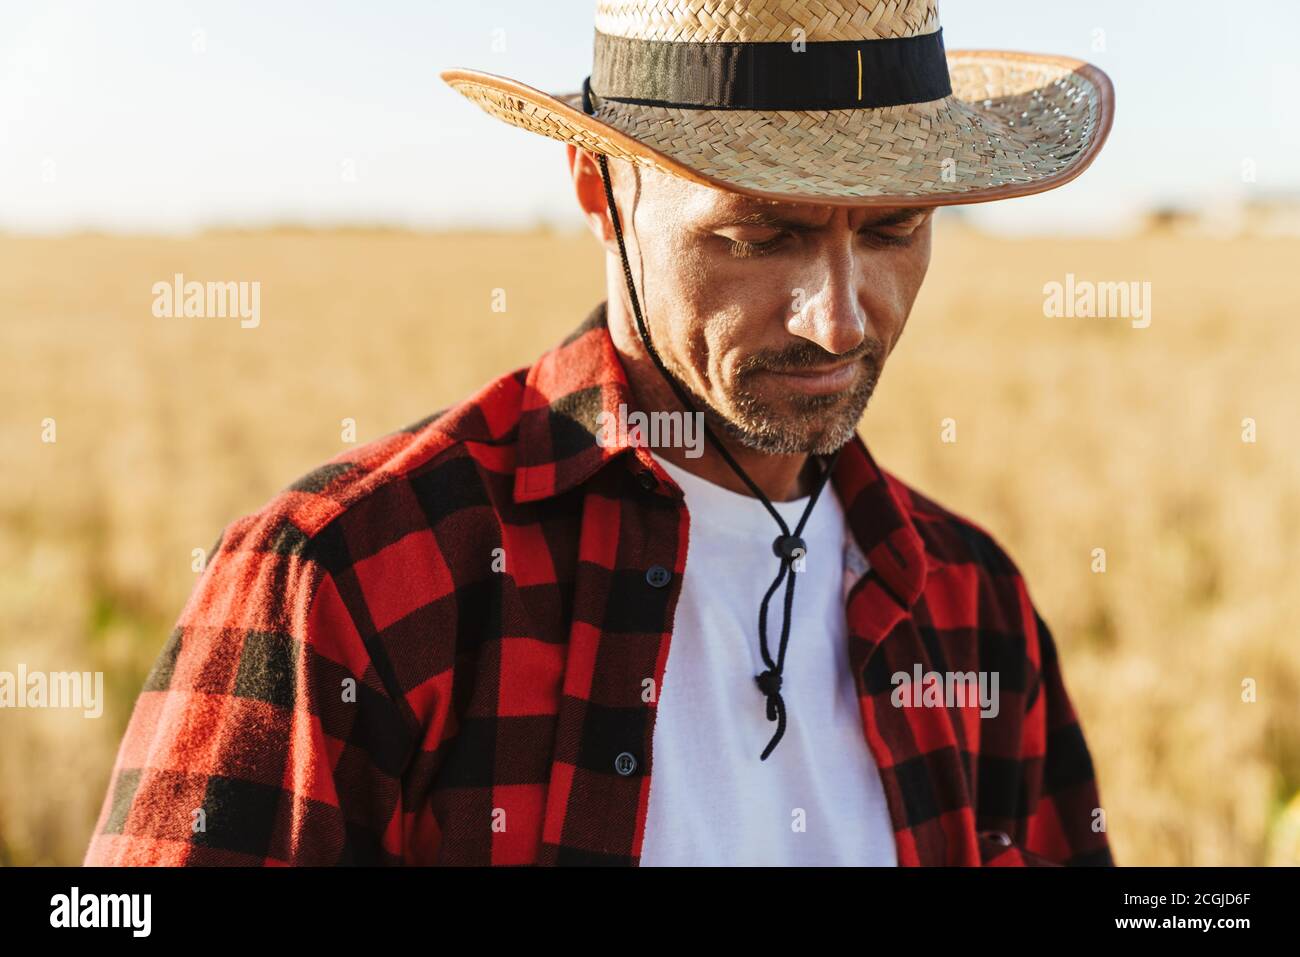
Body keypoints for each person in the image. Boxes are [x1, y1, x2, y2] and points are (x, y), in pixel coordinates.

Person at [86, 0, 1115, 866]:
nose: (839, 318)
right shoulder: (352, 580)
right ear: (597, 188)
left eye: (894, 228)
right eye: (760, 234)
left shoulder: (973, 609)